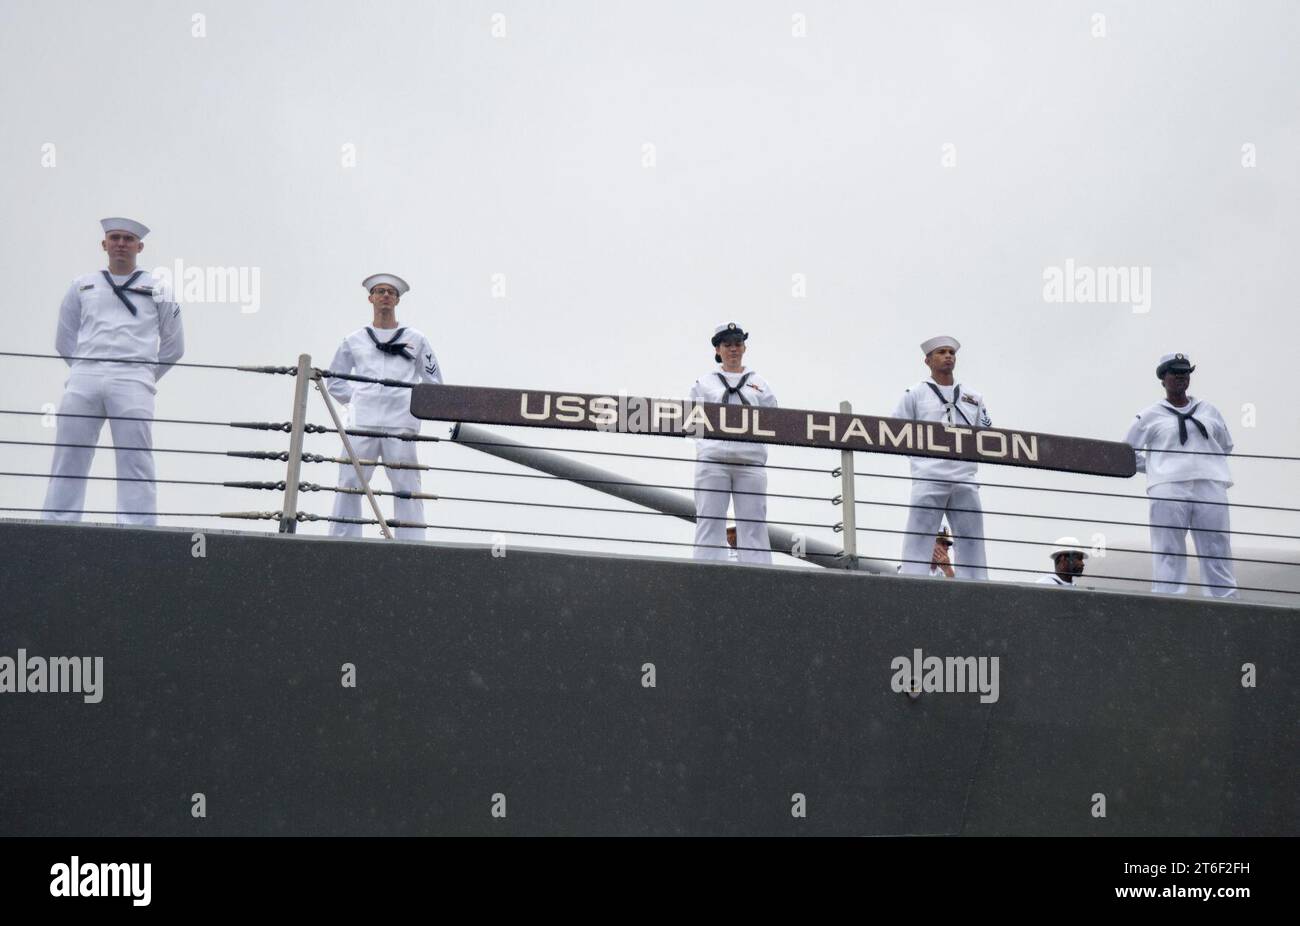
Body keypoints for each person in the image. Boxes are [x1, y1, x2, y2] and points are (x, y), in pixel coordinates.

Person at [43, 217, 184, 525]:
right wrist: (84, 367)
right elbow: (64, 338)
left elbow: (174, 345)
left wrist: (144, 374)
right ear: (104, 244)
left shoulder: (157, 287)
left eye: (128, 239)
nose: (121, 243)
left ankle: (137, 527)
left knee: (135, 456)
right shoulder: (82, 285)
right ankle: (57, 522)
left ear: (140, 246)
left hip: (132, 377)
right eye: (115, 237)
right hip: (86, 377)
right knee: (70, 451)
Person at [325, 274, 442, 541]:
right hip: (362, 422)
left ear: (397, 300)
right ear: (371, 298)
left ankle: (411, 540)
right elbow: (335, 380)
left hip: (400, 422)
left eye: (390, 292)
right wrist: (359, 399)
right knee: (350, 482)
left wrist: (411, 405)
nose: (385, 296)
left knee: (406, 483)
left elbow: (433, 382)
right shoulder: (354, 339)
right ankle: (343, 537)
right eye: (380, 292)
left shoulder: (416, 339)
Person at [1123, 353, 1237, 598]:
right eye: (1175, 372)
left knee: (1216, 545)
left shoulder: (1209, 410)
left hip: (1209, 482)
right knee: (1168, 547)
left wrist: (1203, 463)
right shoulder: (1149, 415)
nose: (1181, 377)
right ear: (1163, 378)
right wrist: (1156, 467)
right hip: (1168, 486)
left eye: (1185, 372)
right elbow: (1126, 452)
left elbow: (1225, 445)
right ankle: (1168, 599)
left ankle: (1224, 600)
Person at [892, 336, 991, 579]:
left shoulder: (973, 396)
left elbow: (987, 434)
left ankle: (976, 584)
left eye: (951, 352)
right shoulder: (914, 394)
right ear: (927, 360)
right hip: (929, 475)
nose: (948, 356)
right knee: (919, 533)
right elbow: (895, 430)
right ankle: (913, 579)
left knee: (971, 536)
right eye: (941, 352)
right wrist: (920, 460)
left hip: (964, 476)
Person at [689, 322, 778, 564]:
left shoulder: (759, 383)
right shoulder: (704, 383)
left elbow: (775, 420)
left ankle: (758, 573)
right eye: (727, 345)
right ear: (717, 350)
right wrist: (706, 448)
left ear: (744, 348)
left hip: (750, 462)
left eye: (738, 344)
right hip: (713, 460)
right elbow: (691, 422)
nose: (733, 350)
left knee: (754, 524)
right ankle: (706, 570)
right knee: (709, 520)